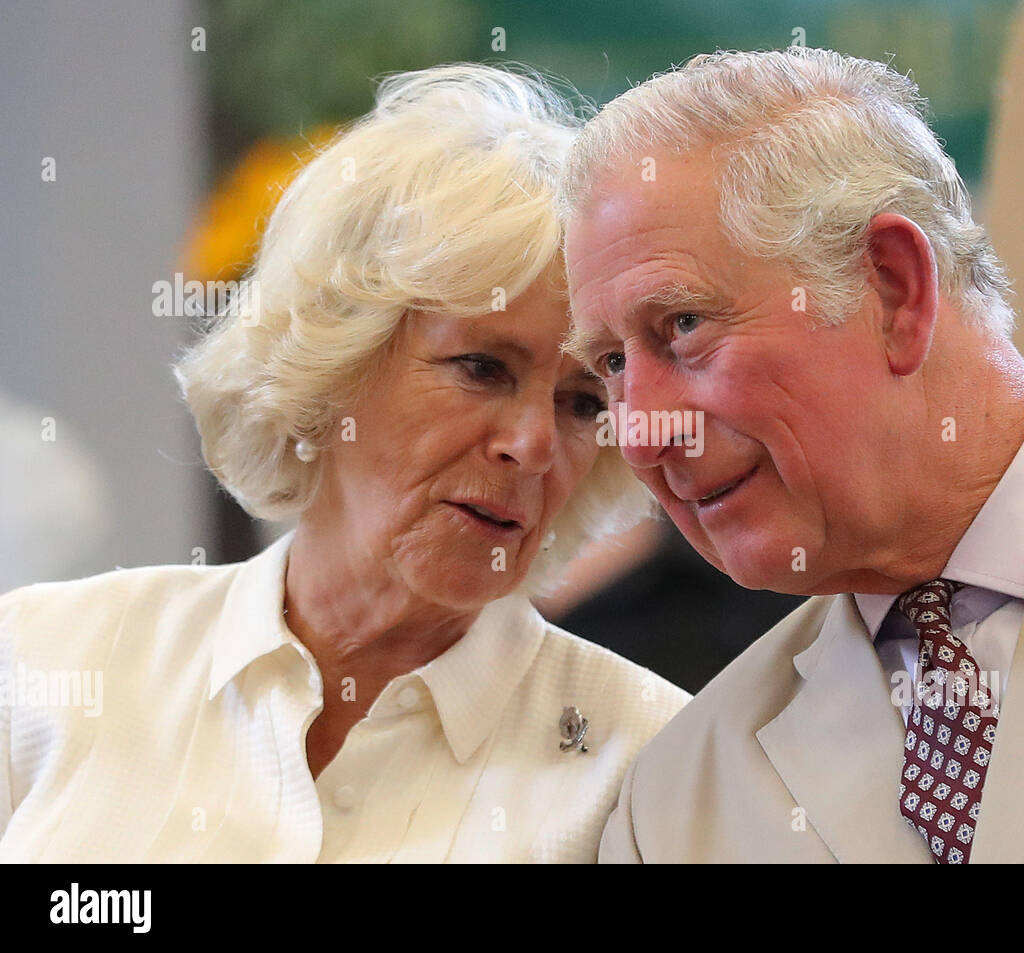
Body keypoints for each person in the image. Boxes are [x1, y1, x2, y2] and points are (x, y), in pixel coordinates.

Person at [560, 47, 1024, 863]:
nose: (640, 430)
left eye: (685, 326)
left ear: (895, 287)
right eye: (614, 366)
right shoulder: (674, 807)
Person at [0, 64, 689, 863]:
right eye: (481, 367)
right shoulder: (47, 659)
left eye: (582, 403)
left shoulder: (650, 766)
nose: (532, 444)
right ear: (333, 367)